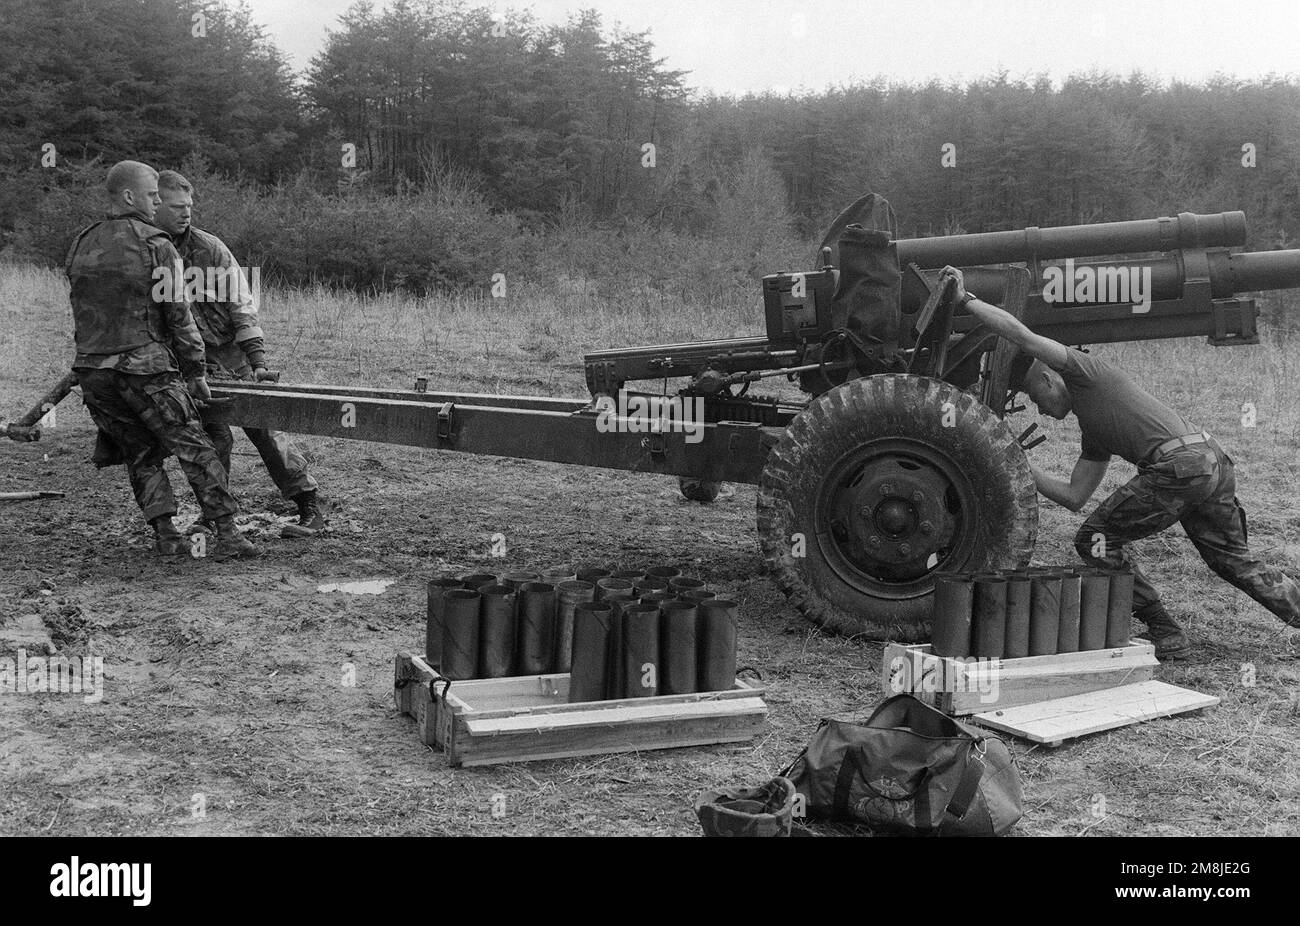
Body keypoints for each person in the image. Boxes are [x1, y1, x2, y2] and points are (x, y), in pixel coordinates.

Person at [940, 265, 1299, 659]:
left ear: (1047, 380)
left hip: (1181, 466)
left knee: (1095, 543)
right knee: (1231, 561)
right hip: (1211, 461)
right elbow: (1075, 496)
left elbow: (1019, 334)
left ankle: (1164, 627)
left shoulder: (1082, 370)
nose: (1041, 412)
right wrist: (1016, 461)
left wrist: (966, 300)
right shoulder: (1094, 426)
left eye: (1038, 400)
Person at [67, 160, 256, 558]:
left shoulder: (82, 243)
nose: (157, 203)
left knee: (141, 454)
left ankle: (166, 534)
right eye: (153, 196)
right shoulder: (157, 244)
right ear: (130, 197)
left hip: (94, 374)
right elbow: (179, 314)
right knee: (196, 447)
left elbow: (82, 311)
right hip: (146, 369)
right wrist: (195, 370)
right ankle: (227, 534)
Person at [152, 170, 326, 538]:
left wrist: (258, 362)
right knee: (214, 439)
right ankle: (216, 513)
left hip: (231, 357)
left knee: (264, 429)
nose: (185, 214)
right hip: (188, 364)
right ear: (154, 204)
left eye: (189, 207)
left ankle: (309, 504)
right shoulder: (147, 249)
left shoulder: (210, 249)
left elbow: (243, 305)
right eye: (176, 207)